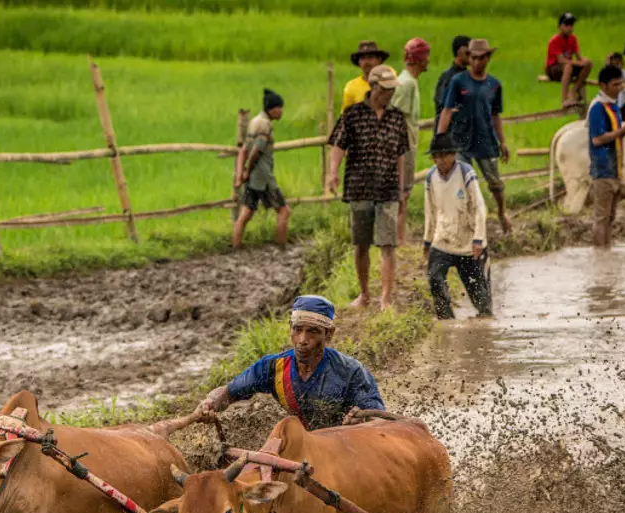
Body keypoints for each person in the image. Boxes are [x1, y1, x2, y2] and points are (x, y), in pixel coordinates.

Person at [194, 295, 385, 430]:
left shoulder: (350, 372)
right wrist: (210, 403)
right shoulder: (272, 367)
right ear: (290, 329)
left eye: (313, 332)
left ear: (329, 334)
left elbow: (379, 420)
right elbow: (228, 392)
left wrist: (364, 419)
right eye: (298, 329)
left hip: (340, 445)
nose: (302, 339)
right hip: (301, 445)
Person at [327, 64, 411, 310]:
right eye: (385, 89)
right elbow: (339, 145)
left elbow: (400, 154)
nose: (389, 94)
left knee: (388, 244)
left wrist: (402, 186)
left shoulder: (396, 118)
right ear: (373, 87)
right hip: (359, 186)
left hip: (387, 188)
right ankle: (364, 295)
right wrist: (333, 173)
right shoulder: (352, 114)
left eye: (392, 90)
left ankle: (385, 298)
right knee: (361, 243)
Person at [437, 38, 511, 234]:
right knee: (461, 180)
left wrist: (502, 141)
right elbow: (447, 110)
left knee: (495, 183)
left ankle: (502, 212)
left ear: (488, 58)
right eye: (474, 58)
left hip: (485, 139)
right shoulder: (458, 81)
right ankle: (464, 221)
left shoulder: (494, 85)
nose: (478, 62)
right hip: (461, 138)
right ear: (469, 58)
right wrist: (440, 139)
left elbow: (496, 115)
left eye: (482, 58)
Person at [422, 133, 490, 319]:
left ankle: (484, 319)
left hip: (467, 241)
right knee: (435, 279)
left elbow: (479, 207)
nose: (440, 160)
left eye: (444, 155)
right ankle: (447, 322)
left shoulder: (465, 173)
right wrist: (427, 241)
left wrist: (478, 239)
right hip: (442, 238)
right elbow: (430, 212)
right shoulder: (431, 178)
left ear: (453, 155)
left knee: (480, 296)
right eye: (436, 156)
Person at [588, 65, 625, 249]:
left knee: (610, 217)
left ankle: (606, 254)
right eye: (615, 84)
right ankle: (600, 254)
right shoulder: (597, 108)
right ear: (603, 85)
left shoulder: (613, 106)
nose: (619, 88)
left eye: (620, 84)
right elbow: (596, 139)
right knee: (602, 217)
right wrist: (623, 130)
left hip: (614, 168)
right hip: (602, 168)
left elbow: (614, 134)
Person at [233, 88, 290, 249]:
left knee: (246, 212)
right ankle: (281, 247)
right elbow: (255, 152)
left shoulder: (254, 122)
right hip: (263, 177)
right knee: (284, 211)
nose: (282, 111)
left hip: (253, 177)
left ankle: (236, 246)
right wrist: (247, 170)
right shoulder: (264, 125)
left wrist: (241, 174)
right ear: (272, 109)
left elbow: (244, 150)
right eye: (280, 107)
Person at [391, 37, 429, 245]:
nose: (428, 61)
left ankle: (399, 238)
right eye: (426, 56)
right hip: (403, 146)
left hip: (407, 145)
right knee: (402, 194)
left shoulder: (410, 82)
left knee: (404, 193)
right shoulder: (406, 84)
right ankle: (398, 239)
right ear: (418, 59)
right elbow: (395, 116)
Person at [546, 12, 593, 107]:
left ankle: (573, 91)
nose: (570, 27)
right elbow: (561, 60)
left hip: (567, 66)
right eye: (567, 25)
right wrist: (578, 63)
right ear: (560, 27)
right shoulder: (554, 40)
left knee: (588, 63)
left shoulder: (573, 39)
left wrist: (584, 62)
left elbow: (579, 56)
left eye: (571, 25)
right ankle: (564, 100)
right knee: (568, 67)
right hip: (554, 68)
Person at [434, 35, 471, 129]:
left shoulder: (470, 76)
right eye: (468, 53)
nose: (471, 56)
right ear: (459, 52)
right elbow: (442, 105)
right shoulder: (448, 77)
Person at [343, 40, 389, 112]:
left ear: (379, 60)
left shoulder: (389, 83)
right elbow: (345, 116)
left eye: (370, 57)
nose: (366, 62)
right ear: (359, 62)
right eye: (363, 58)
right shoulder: (351, 87)